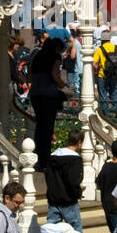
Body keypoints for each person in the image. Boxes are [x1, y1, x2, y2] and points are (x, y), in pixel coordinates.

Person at [29, 37, 70, 170]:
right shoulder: (55, 56)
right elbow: (54, 74)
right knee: (47, 128)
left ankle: (37, 157)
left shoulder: (36, 55)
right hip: (48, 94)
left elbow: (29, 75)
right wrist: (64, 85)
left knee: (40, 126)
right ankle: (44, 160)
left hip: (35, 93)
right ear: (57, 48)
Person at [44, 127, 84, 233]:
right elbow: (73, 181)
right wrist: (78, 193)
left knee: (50, 230)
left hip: (54, 200)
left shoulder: (52, 157)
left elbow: (48, 178)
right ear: (79, 142)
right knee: (75, 230)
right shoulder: (75, 160)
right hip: (69, 201)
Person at [93, 32, 117, 118]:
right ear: (109, 39)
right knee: (113, 94)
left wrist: (97, 69)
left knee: (103, 95)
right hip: (114, 76)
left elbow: (94, 64)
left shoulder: (99, 49)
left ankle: (105, 115)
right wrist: (115, 69)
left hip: (102, 75)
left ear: (102, 39)